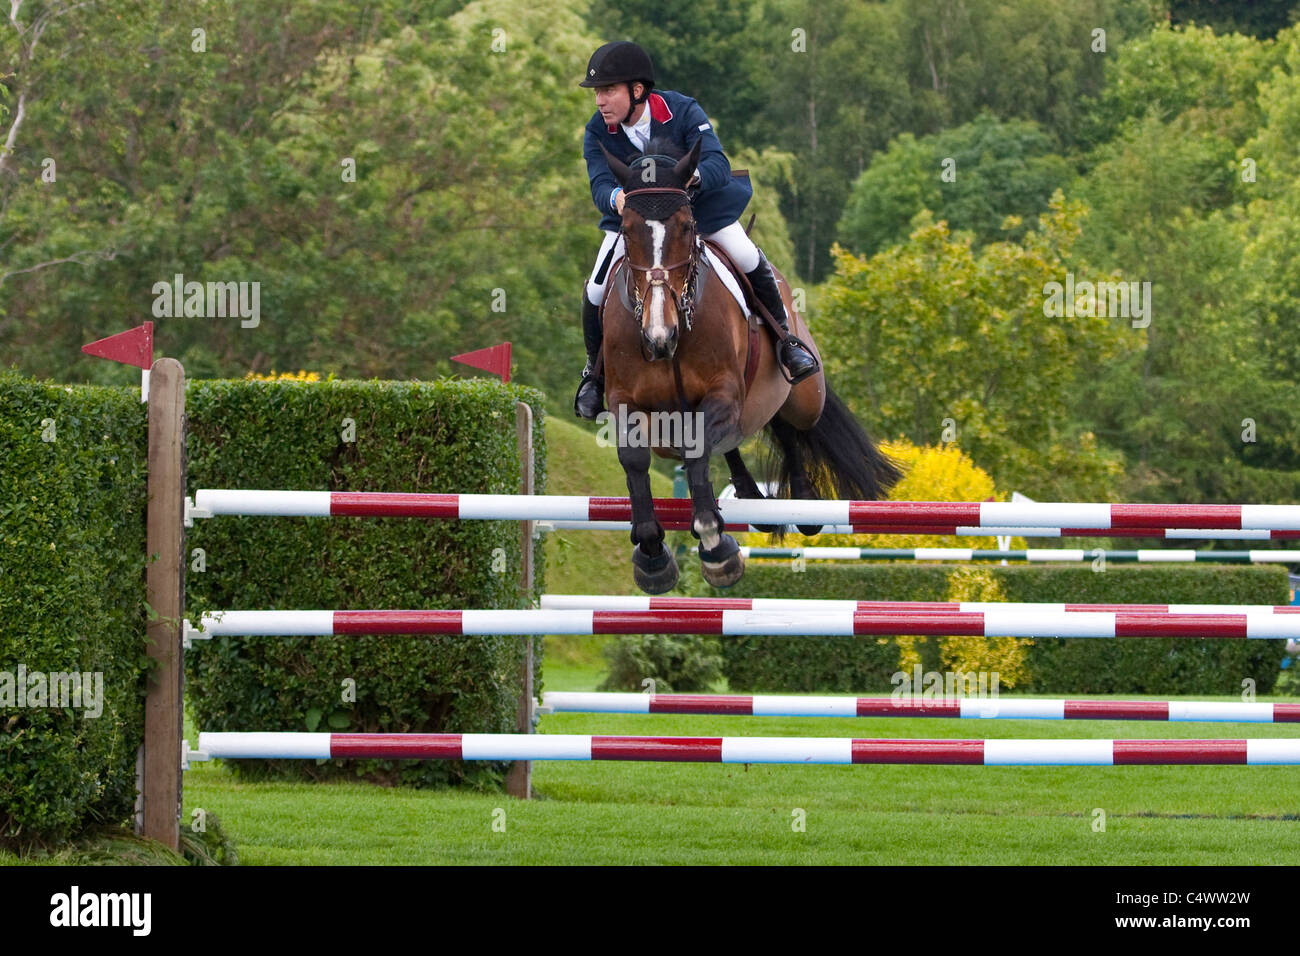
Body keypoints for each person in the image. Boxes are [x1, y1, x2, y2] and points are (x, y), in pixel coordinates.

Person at [574, 40, 819, 419]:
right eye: (597, 93)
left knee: (746, 256)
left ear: (636, 91)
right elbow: (598, 184)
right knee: (594, 288)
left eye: (607, 91)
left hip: (696, 214)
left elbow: (718, 163)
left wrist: (693, 178)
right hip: (637, 223)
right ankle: (594, 374)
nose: (599, 101)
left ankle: (787, 342)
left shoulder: (683, 110)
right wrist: (617, 199)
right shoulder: (596, 130)